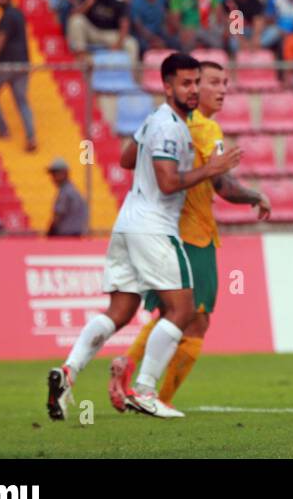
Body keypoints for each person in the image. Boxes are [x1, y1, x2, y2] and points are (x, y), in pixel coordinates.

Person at [46, 53, 241, 421]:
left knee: (120, 311)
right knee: (182, 308)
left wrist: (158, 161)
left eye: (197, 82)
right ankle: (147, 390)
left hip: (127, 223)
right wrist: (209, 168)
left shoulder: (155, 120)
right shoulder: (171, 126)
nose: (194, 90)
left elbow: (126, 157)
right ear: (167, 86)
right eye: (186, 83)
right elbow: (168, 184)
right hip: (154, 225)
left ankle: (68, 371)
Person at [112, 60, 270, 409]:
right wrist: (255, 195)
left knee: (173, 316)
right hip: (192, 235)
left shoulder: (164, 119)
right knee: (195, 322)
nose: (220, 89)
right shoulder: (205, 128)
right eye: (211, 81)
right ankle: (153, 395)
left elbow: (126, 160)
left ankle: (128, 368)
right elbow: (222, 184)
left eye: (224, 82)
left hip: (160, 230)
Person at [0, 0, 36, 153]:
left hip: (6, 64)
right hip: (23, 63)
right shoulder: (18, 13)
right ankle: (31, 137)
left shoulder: (7, 16)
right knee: (22, 101)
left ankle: (3, 130)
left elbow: (1, 41)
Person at [46, 158, 87, 236]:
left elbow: (57, 216)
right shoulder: (73, 190)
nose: (52, 178)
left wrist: (50, 232)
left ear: (64, 173)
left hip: (66, 235)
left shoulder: (65, 192)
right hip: (76, 234)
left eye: (55, 173)